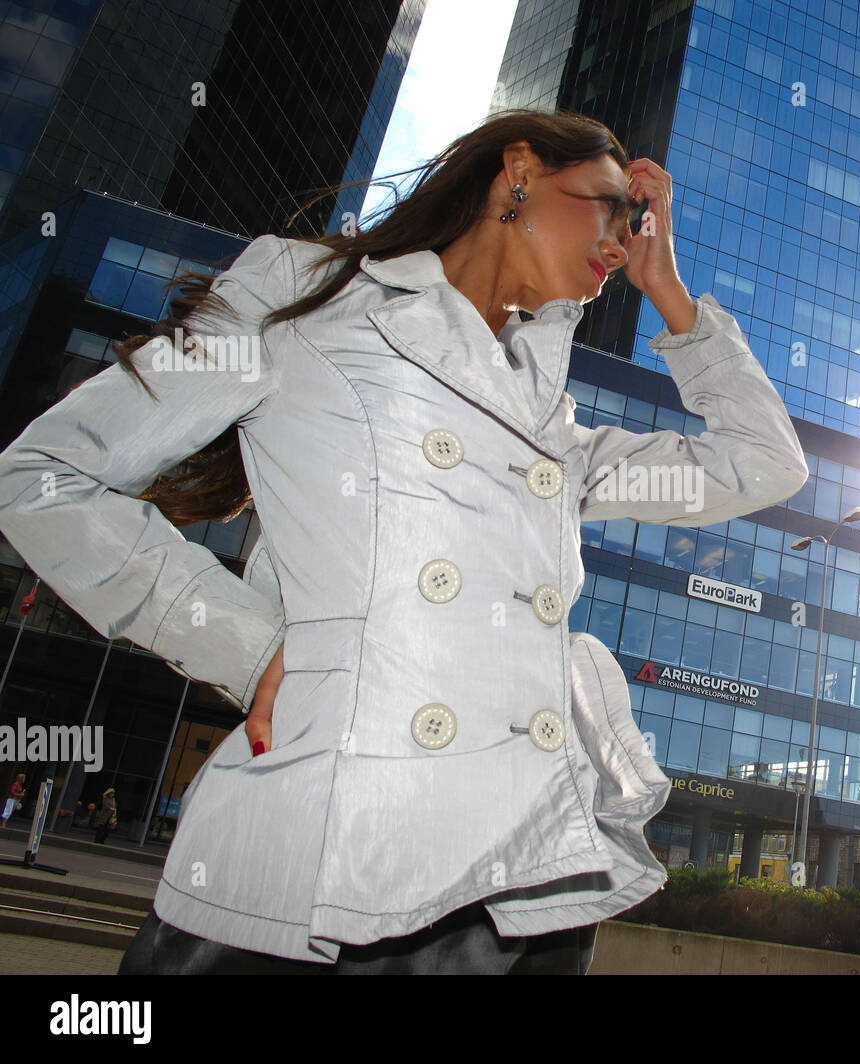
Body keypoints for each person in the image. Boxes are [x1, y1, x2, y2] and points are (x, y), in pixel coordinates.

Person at [0, 109, 809, 973]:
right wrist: (252, 646)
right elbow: (43, 476)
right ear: (521, 170)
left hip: (531, 896)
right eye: (612, 209)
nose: (623, 242)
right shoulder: (307, 298)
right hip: (318, 876)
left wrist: (670, 290)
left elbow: (763, 463)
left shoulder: (555, 435)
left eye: (639, 226)